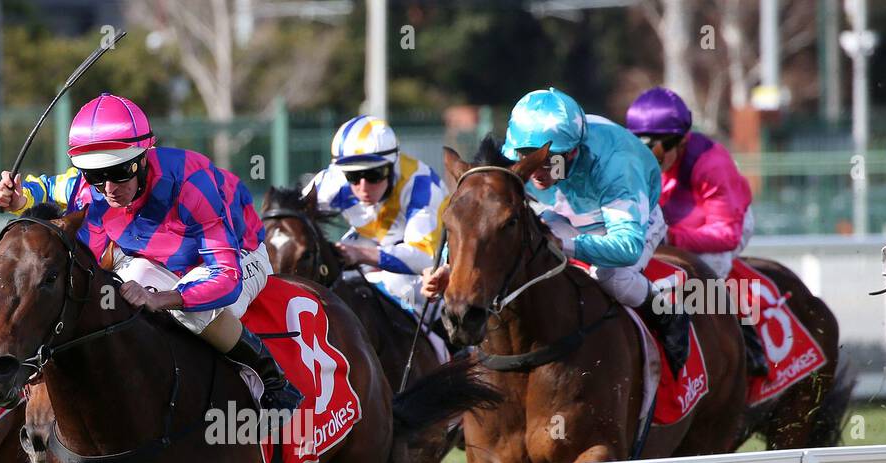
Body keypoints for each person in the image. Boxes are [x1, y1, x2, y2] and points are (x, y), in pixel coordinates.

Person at [0, 92, 301, 412]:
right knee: (113, 287)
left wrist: (161, 299)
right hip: (157, 259)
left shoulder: (192, 184)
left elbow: (226, 276)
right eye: (96, 175)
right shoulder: (90, 186)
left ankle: (272, 379)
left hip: (239, 256)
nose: (109, 188)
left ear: (143, 158)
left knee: (189, 309)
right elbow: (45, 186)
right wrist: (20, 199)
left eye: (119, 172)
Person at [423, 87, 687, 371]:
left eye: (550, 160)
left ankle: (665, 309)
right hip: (565, 215)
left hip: (632, 222)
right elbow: (478, 221)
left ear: (573, 152)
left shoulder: (618, 165)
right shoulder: (519, 158)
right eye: (527, 157)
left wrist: (566, 244)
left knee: (612, 277)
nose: (536, 170)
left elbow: (627, 248)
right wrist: (450, 266)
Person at [626, 86, 766, 376]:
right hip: (670, 222)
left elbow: (726, 235)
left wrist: (670, 237)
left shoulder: (711, 165)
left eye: (656, 148)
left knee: (704, 272)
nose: (648, 156)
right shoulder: (636, 159)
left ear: (681, 141)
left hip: (724, 227)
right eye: (639, 145)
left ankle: (748, 346)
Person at [303, 114, 446, 317]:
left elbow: (424, 258)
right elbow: (291, 212)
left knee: (399, 282)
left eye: (374, 175)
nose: (363, 187)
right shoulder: (334, 181)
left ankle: (442, 338)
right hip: (374, 240)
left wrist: (360, 254)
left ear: (392, 166)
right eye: (353, 176)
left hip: (437, 258)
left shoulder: (421, 187)